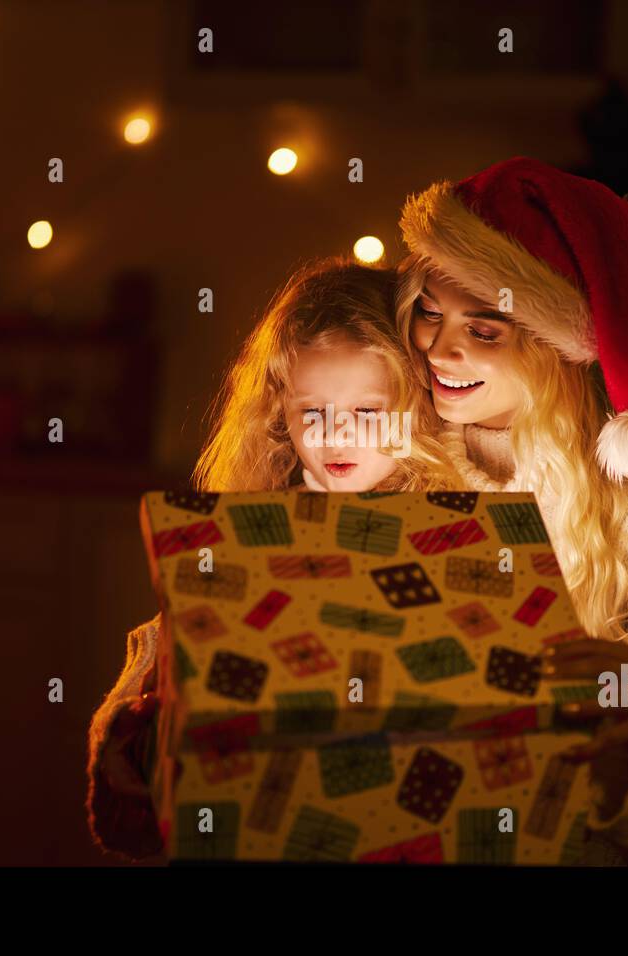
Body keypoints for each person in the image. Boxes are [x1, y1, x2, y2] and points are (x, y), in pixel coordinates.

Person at [394, 156, 628, 866]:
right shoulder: (385, 459)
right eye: (428, 312)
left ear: (557, 347)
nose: (438, 347)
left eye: (483, 329)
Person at [85, 257, 459, 860]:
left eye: (367, 413)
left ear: (416, 405)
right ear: (279, 415)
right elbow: (128, 795)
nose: (337, 436)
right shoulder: (249, 533)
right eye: (312, 413)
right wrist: (139, 729)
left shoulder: (451, 531)